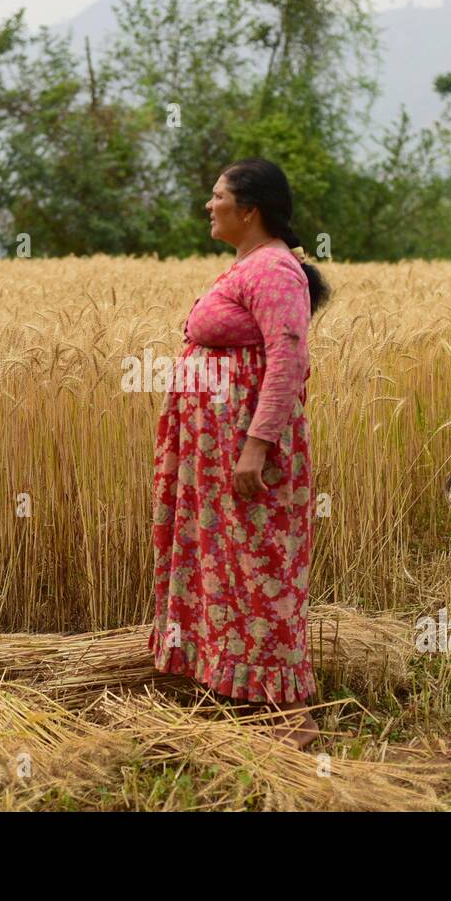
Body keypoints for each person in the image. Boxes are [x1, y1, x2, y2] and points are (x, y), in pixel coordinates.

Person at [149, 157, 330, 750]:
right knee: (226, 561)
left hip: (247, 451)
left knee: (261, 567)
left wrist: (256, 446)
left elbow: (288, 359)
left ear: (249, 209)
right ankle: (240, 690)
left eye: (217, 195)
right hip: (217, 448)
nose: (208, 204)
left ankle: (292, 717)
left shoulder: (276, 268)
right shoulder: (251, 264)